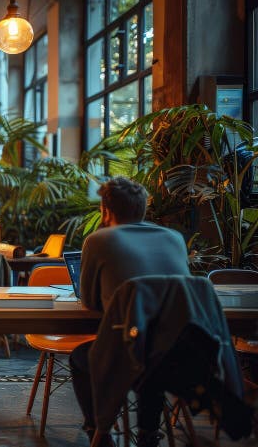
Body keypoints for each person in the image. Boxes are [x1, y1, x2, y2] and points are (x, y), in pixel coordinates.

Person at [68, 177, 190, 447]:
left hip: (128, 354)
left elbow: (90, 303)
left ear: (106, 210)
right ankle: (149, 434)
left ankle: (98, 432)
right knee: (154, 350)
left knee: (82, 358)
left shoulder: (98, 240)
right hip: (182, 356)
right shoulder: (175, 239)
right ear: (143, 208)